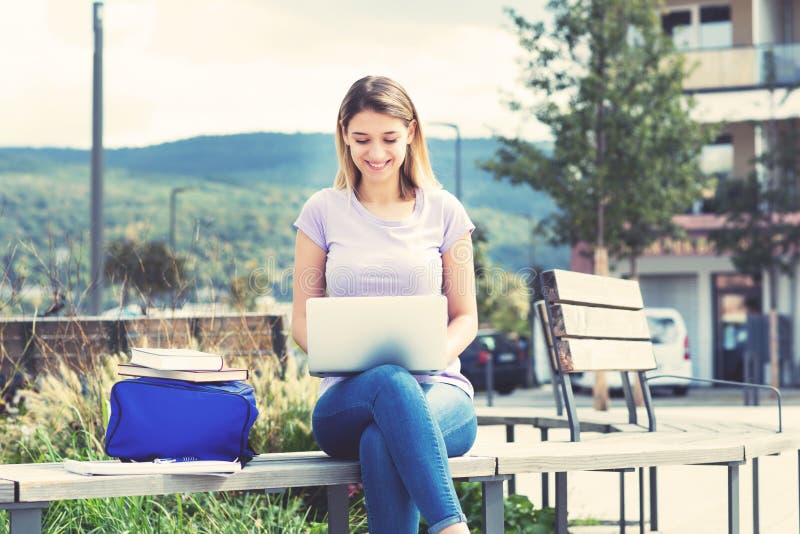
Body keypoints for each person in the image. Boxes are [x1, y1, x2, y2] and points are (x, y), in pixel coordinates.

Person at [291, 75, 478, 534]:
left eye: (389, 138)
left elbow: (466, 317)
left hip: (441, 394)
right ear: (344, 136)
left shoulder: (445, 211)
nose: (376, 153)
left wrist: (435, 352)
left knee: (383, 439)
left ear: (411, 132)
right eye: (362, 140)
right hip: (346, 401)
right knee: (390, 382)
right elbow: (301, 320)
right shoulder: (322, 211)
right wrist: (334, 351)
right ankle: (452, 527)